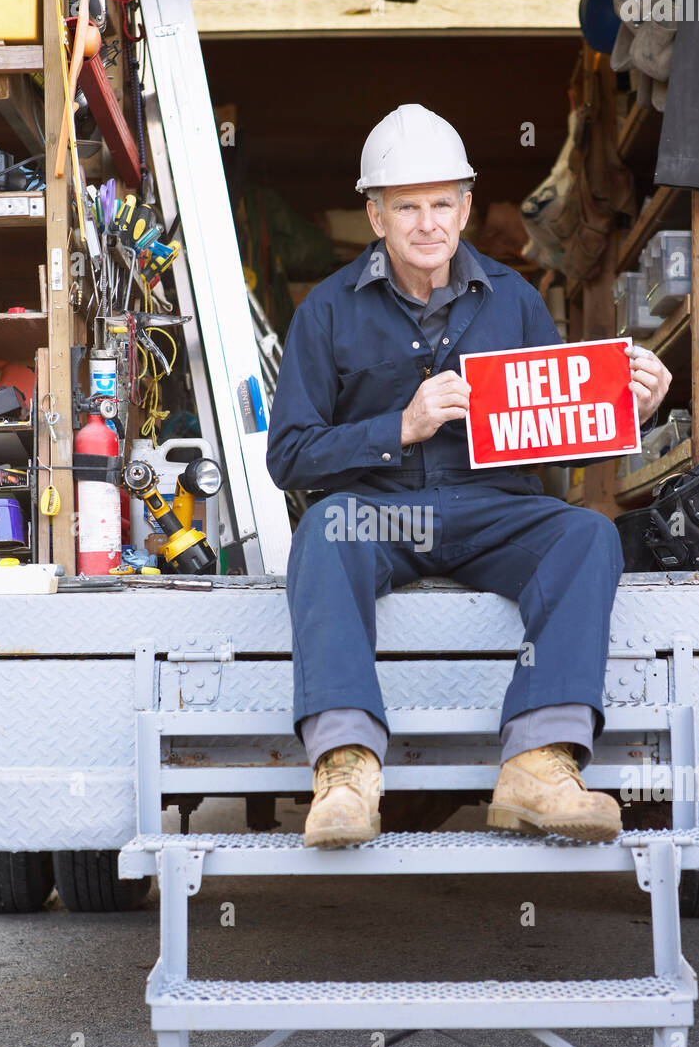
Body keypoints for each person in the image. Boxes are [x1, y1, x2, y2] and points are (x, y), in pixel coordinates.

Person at [266, 104, 671, 849]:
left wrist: (631, 406)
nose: (428, 223)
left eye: (442, 203)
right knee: (326, 528)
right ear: (375, 215)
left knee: (585, 534)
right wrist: (402, 426)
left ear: (465, 207)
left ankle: (539, 764)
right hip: (385, 517)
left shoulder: (514, 300)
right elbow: (289, 455)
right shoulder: (324, 313)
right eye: (407, 206)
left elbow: (560, 440)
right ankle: (347, 768)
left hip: (493, 513)